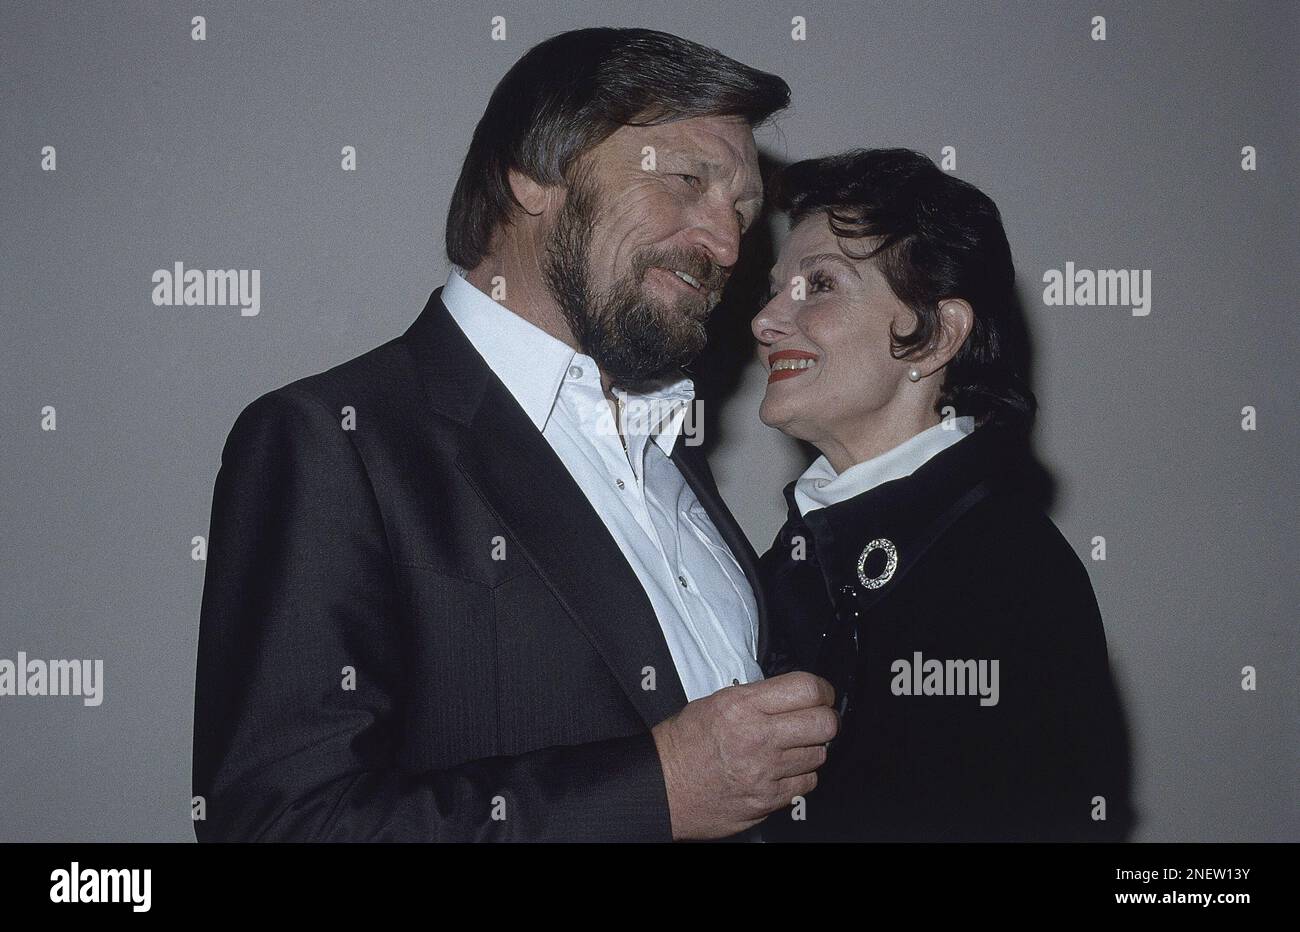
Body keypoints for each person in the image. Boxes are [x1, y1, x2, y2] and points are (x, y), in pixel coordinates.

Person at [192, 27, 837, 843]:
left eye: (743, 212)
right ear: (535, 174)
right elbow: (280, 824)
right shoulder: (332, 443)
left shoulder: (670, 453)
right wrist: (657, 790)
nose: (725, 245)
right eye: (686, 180)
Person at [753, 148, 1134, 842]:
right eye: (777, 288)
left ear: (935, 336)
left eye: (820, 285)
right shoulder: (781, 559)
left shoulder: (1009, 574)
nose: (766, 320)